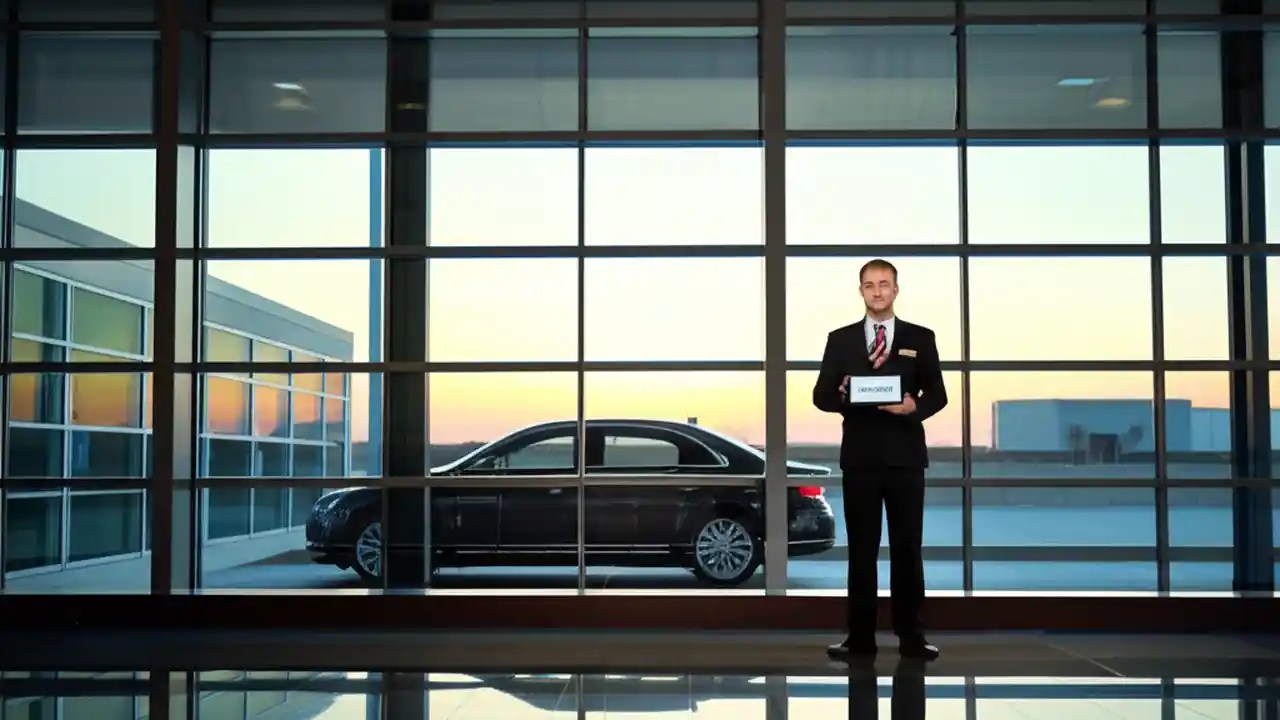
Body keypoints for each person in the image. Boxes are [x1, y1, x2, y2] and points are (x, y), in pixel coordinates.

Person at [812, 258, 947, 661]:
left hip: (906, 460)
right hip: (861, 460)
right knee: (862, 552)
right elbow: (820, 396)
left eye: (884, 284)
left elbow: (937, 395)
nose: (877, 291)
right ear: (861, 291)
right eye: (869, 285)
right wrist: (843, 393)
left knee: (908, 550)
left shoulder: (921, 338)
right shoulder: (841, 340)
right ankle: (860, 639)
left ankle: (912, 638)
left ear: (896, 289)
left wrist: (913, 408)